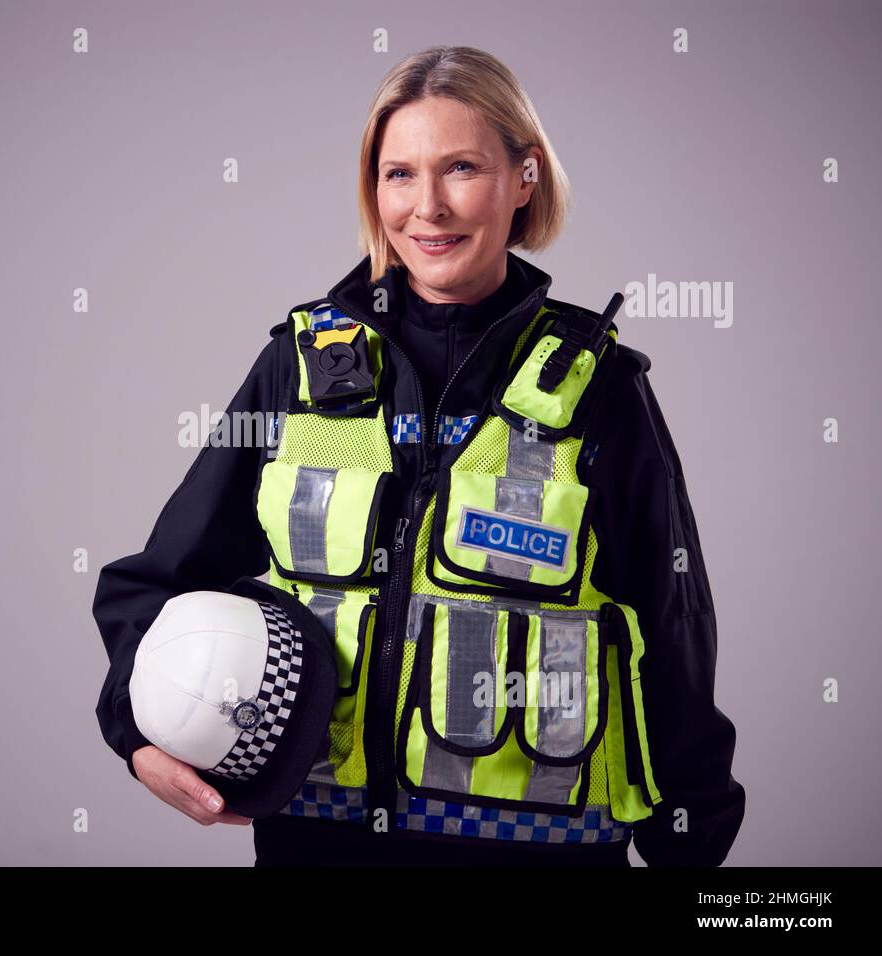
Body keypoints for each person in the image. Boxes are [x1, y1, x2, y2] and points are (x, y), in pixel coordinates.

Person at [92, 45, 745, 867]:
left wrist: (693, 845)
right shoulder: (300, 371)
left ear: (525, 178)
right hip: (319, 852)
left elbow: (672, 624)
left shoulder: (598, 388)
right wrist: (137, 732)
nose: (427, 207)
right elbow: (154, 582)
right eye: (399, 174)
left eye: (461, 167)